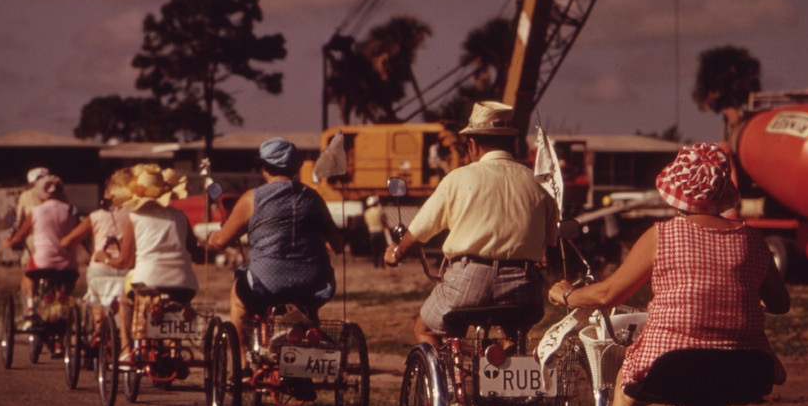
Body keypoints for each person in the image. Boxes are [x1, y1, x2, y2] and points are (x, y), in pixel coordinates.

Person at [547, 143, 790, 406]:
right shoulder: (752, 239)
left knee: (625, 387)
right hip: (746, 367)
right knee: (710, 396)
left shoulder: (663, 235)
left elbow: (607, 295)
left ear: (676, 190)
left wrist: (567, 294)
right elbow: (780, 304)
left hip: (673, 364)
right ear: (723, 190)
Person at [384, 101, 559, 347]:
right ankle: (511, 362)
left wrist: (396, 253)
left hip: (469, 280)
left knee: (425, 329)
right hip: (524, 282)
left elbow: (417, 233)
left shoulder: (458, 179)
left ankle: (451, 372)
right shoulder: (537, 184)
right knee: (513, 335)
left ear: (473, 144)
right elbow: (551, 241)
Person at [207, 137, 344, 365]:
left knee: (238, 298)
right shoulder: (313, 198)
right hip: (314, 283)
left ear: (264, 167)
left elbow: (221, 241)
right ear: (296, 167)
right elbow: (337, 245)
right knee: (308, 307)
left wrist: (211, 240)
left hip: (267, 283)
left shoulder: (252, 199)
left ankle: (241, 362)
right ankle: (308, 351)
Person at [104, 164, 199, 362]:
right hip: (184, 283)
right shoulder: (180, 216)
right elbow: (193, 249)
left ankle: (125, 348)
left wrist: (104, 258)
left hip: (148, 281)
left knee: (125, 298)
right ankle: (173, 346)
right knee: (178, 305)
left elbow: (125, 261)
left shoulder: (134, 217)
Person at [60, 169, 131, 333]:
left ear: (106, 195)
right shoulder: (133, 216)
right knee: (124, 311)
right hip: (125, 269)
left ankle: (98, 331)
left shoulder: (95, 216)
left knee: (98, 309)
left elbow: (67, 241)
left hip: (100, 269)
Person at [4, 174, 80, 326]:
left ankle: (30, 307)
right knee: (69, 279)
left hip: (43, 263)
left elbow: (20, 236)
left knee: (27, 274)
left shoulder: (36, 211)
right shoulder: (71, 210)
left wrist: (9, 242)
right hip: (67, 265)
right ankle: (63, 300)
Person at [11, 167, 51, 315]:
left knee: (27, 271)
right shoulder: (56, 195)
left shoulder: (26, 196)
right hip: (54, 240)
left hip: (33, 240)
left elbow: (19, 220)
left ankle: (29, 306)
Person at [363, 195, 388, 268]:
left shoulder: (366, 212)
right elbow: (385, 221)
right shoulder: (380, 211)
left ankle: (375, 264)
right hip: (380, 232)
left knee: (374, 250)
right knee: (382, 249)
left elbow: (366, 222)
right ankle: (382, 264)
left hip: (372, 233)